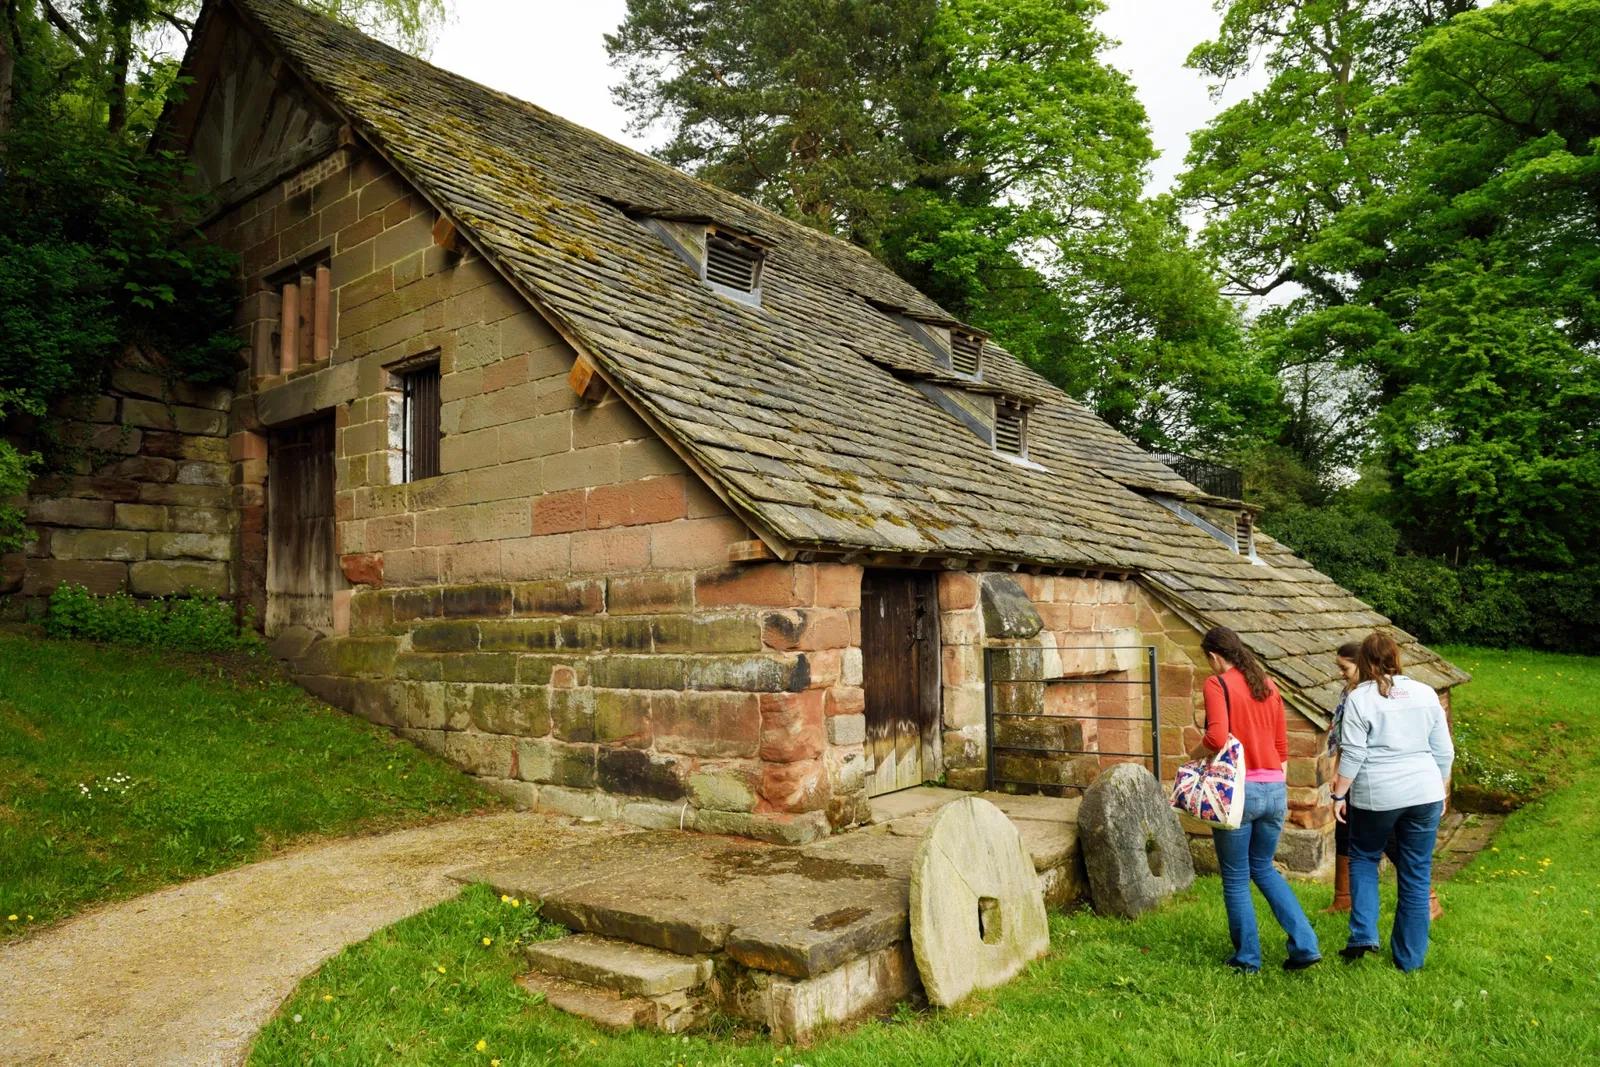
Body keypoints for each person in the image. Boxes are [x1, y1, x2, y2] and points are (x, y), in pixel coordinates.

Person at [1191, 626, 1321, 973]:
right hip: (1276, 789)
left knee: (1235, 876)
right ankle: (1305, 945)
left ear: (1214, 657)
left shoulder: (1216, 684)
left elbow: (1217, 736)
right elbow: (1281, 747)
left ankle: (1247, 959)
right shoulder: (1268, 685)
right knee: (1263, 868)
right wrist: (1275, 787)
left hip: (1239, 792)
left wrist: (1192, 756)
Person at [1331, 632, 1454, 972]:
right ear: (1397, 658)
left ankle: (1364, 935)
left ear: (1367, 662)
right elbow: (1444, 749)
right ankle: (1409, 960)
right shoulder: (1426, 693)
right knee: (1416, 872)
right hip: (1425, 792)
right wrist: (1441, 789)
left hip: (1378, 794)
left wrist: (1339, 794)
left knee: (1364, 857)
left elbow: (1354, 753)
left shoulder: (1360, 698)